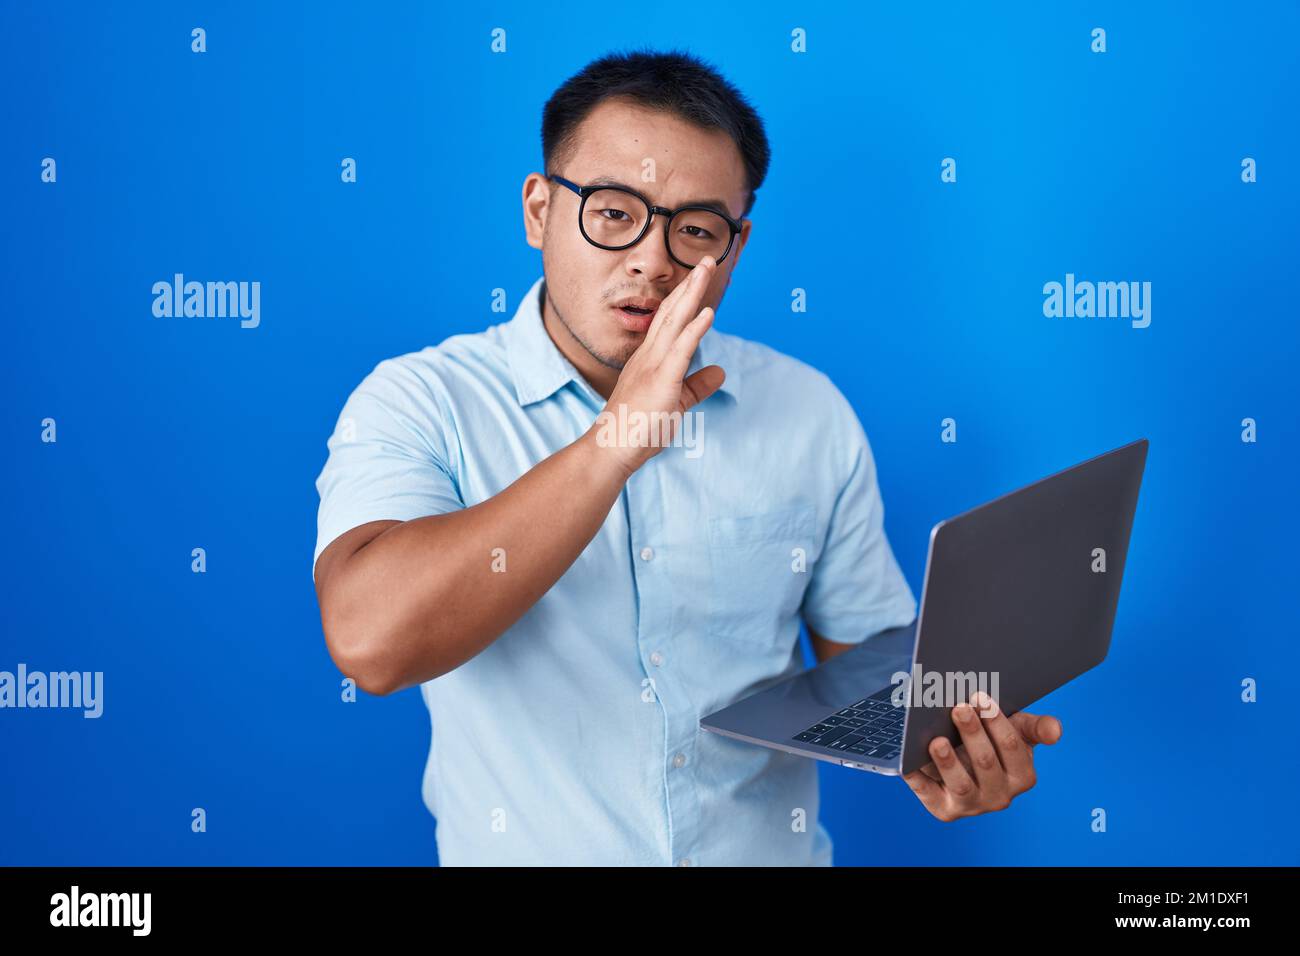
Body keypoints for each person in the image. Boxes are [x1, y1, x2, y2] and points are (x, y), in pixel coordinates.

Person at [312, 48, 1062, 866]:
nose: (652, 261)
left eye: (695, 230)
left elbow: (874, 668)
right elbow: (371, 643)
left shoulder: (806, 410)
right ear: (538, 212)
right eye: (612, 211)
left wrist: (948, 746)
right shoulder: (420, 400)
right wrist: (615, 442)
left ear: (735, 247)